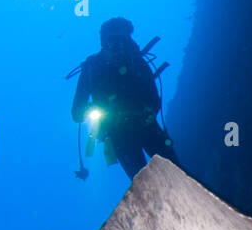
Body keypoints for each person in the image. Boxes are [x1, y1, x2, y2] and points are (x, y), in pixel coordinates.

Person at [70, 17, 178, 179]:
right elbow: (76, 113)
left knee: (177, 175)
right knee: (145, 187)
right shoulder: (92, 68)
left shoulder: (136, 61)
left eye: (123, 40)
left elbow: (154, 99)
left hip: (147, 127)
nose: (118, 46)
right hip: (119, 134)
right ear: (103, 42)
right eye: (113, 40)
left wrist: (145, 113)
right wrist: (100, 110)